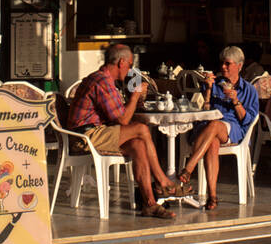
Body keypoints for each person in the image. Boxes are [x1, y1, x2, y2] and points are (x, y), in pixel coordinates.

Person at [67, 42, 186, 219]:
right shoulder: (101, 80)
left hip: (98, 132)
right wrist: (136, 94)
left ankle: (150, 204)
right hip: (84, 136)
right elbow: (122, 120)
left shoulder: (107, 81)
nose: (130, 70)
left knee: (138, 144)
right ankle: (163, 181)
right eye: (130, 65)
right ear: (122, 62)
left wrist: (135, 99)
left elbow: (120, 114)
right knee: (142, 129)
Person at [176, 46, 260, 210]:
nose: (223, 67)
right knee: (213, 140)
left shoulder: (249, 90)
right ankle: (212, 196)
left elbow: (247, 120)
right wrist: (207, 90)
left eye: (228, 64)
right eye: (222, 63)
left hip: (233, 128)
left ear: (239, 66)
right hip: (207, 128)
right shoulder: (215, 84)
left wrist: (235, 101)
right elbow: (206, 111)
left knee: (215, 124)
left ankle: (189, 167)